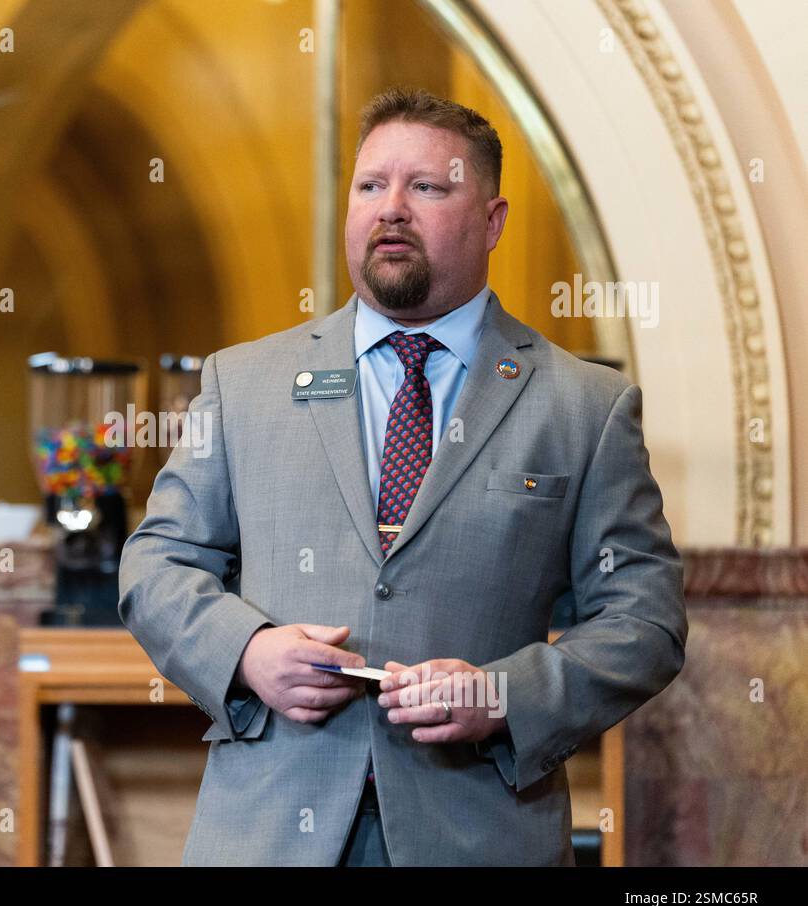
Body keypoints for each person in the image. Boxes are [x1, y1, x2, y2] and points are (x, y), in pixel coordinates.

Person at [117, 87, 687, 866]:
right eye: (370, 185)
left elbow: (644, 625)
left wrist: (502, 697)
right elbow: (157, 563)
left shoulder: (585, 407)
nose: (392, 209)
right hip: (270, 829)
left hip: (478, 833)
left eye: (427, 187)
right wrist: (247, 651)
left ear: (492, 223)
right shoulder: (241, 382)